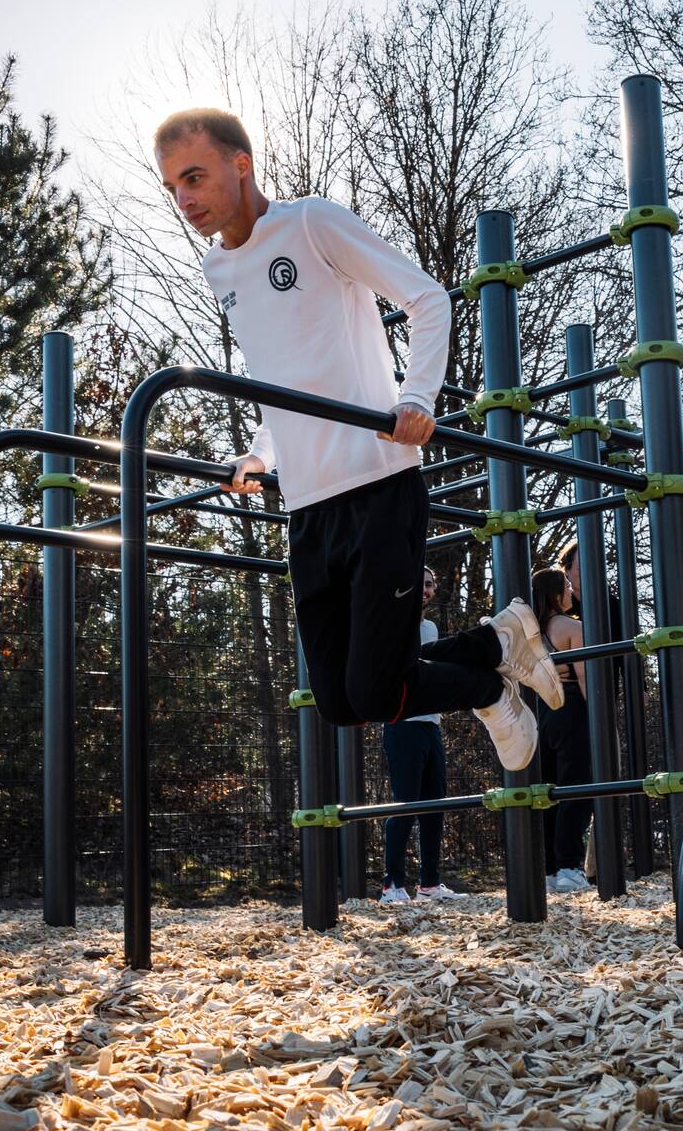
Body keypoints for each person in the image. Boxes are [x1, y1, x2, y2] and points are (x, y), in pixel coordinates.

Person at [153, 108, 562, 773]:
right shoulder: (218, 271)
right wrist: (263, 453)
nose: (184, 199)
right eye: (171, 187)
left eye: (194, 177)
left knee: (379, 689)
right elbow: (278, 378)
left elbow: (429, 298)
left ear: (241, 163)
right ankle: (499, 642)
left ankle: (491, 686)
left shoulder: (311, 223)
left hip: (377, 483)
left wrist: (417, 398)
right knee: (341, 700)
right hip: (308, 506)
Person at [379, 568, 464, 903]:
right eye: (421, 584)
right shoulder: (389, 624)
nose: (426, 590)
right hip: (402, 723)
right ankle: (392, 884)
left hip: (431, 724)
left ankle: (429, 883)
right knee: (405, 804)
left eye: (430, 584)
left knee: (434, 805)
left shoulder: (430, 628)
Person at [531, 568, 593, 893]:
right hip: (571, 707)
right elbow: (583, 675)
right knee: (578, 787)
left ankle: (551, 870)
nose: (572, 589)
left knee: (549, 791)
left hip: (543, 710)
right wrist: (597, 716)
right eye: (567, 585)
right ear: (556, 593)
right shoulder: (573, 627)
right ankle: (570, 865)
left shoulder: (531, 634)